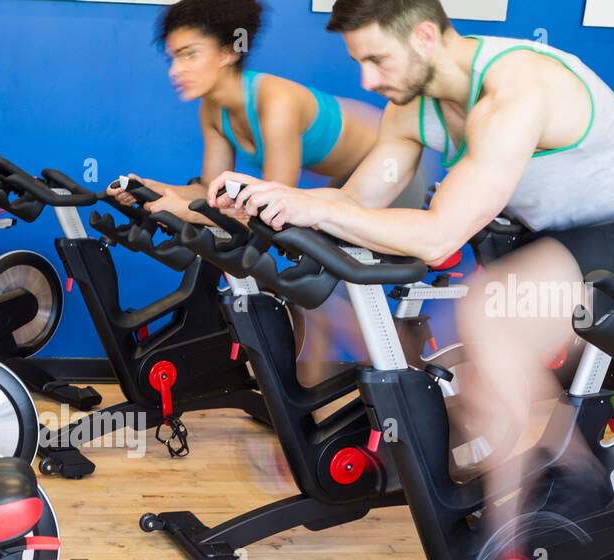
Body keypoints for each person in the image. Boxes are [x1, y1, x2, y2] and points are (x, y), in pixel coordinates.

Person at [211, 0, 614, 520]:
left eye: (377, 60)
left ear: (424, 37)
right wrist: (271, 197)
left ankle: (513, 528)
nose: (367, 81)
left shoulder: (516, 89)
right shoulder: (412, 106)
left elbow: (438, 237)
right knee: (478, 363)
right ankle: (561, 481)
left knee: (489, 315)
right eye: (359, 63)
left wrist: (309, 208)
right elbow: (360, 200)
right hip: (547, 232)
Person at [113, 0, 431, 381]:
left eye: (189, 55)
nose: (176, 70)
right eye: (173, 58)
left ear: (229, 52)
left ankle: (410, 376)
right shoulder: (213, 110)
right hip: (346, 185)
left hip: (394, 177)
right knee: (312, 294)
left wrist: (183, 209)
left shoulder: (274, 100)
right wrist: (151, 189)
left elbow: (270, 208)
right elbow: (205, 187)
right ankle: (307, 412)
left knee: (327, 293)